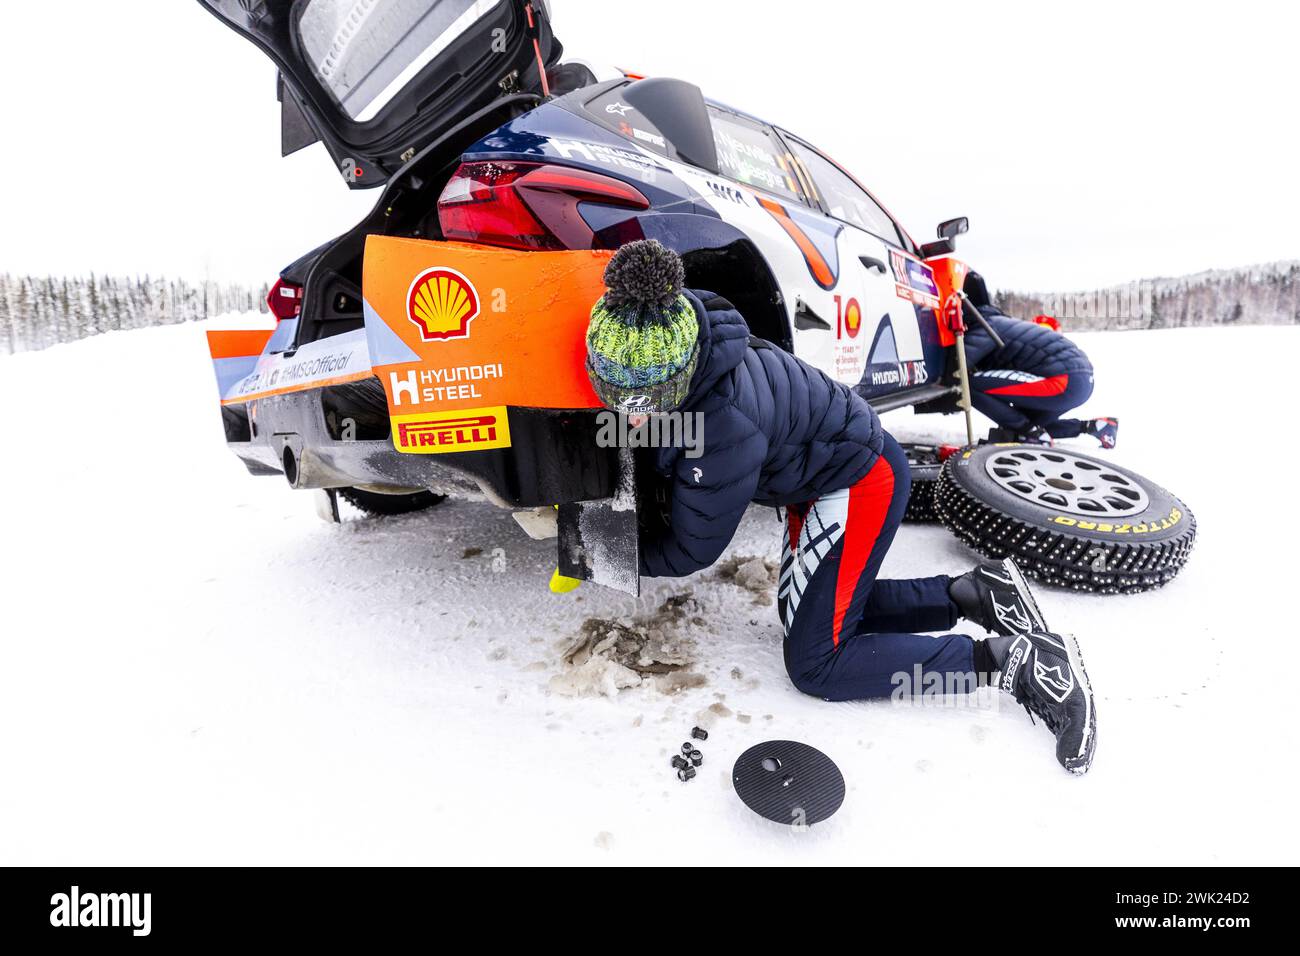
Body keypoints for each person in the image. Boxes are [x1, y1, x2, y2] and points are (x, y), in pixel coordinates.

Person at [585, 240, 1096, 774]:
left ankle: (1013, 665)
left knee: (817, 664)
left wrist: (600, 551)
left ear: (682, 375)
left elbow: (692, 548)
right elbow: (663, 426)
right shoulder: (695, 336)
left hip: (859, 481)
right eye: (616, 396)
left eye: (650, 403)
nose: (633, 416)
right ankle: (976, 594)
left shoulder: (724, 425)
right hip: (819, 476)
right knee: (805, 612)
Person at [961, 272, 1118, 448]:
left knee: (970, 385)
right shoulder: (1002, 322)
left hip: (1063, 380)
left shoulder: (985, 325)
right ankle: (1093, 427)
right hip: (1082, 380)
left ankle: (1031, 435)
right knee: (1025, 422)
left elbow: (958, 366)